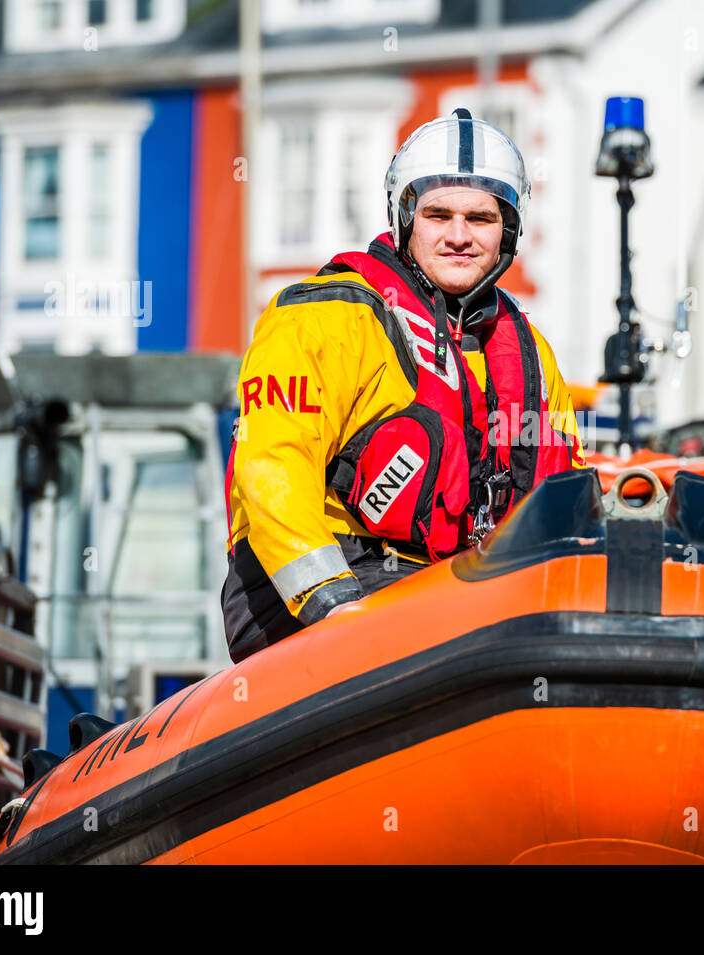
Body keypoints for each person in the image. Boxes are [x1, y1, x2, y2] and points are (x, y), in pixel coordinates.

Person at [222, 109, 586, 663]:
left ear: (508, 230)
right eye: (439, 214)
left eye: (481, 218)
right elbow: (272, 464)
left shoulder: (530, 356)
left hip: (459, 598)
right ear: (405, 216)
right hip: (318, 592)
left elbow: (566, 492)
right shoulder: (324, 319)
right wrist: (334, 603)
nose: (459, 236)